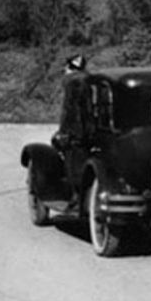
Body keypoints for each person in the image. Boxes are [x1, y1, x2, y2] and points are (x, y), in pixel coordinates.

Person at [52, 54, 92, 213]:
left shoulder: (71, 82)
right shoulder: (92, 80)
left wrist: (64, 132)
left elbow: (70, 110)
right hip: (96, 131)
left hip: (77, 133)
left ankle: (76, 197)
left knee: (73, 163)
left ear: (69, 67)